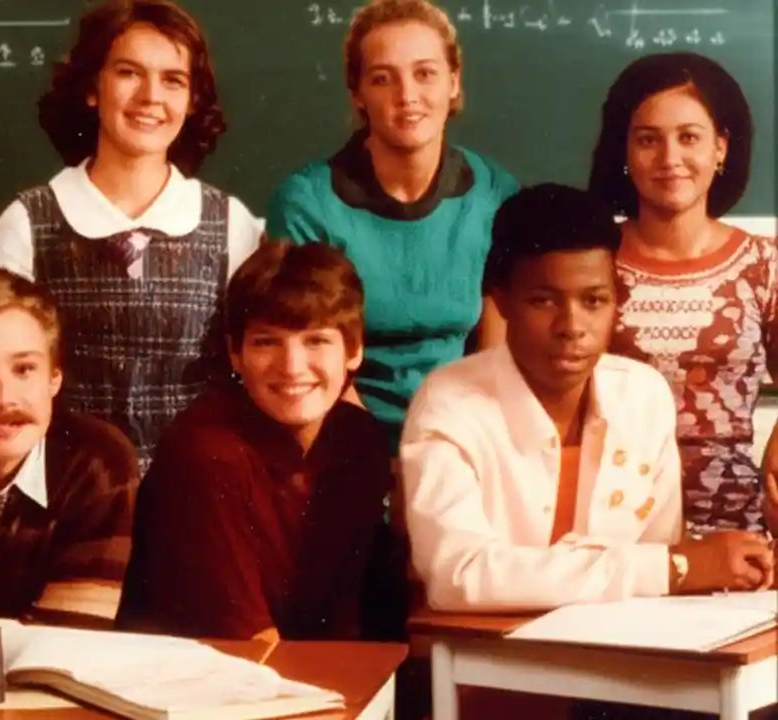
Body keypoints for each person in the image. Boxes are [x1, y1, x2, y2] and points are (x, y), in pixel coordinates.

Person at [403, 184, 774, 614]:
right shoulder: (449, 402)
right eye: (543, 301)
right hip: (484, 660)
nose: (571, 326)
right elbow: (459, 576)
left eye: (594, 300)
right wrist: (674, 568)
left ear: (617, 302)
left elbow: (657, 560)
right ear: (503, 303)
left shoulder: (643, 395)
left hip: (621, 655)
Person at [0, 0, 264, 470]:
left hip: (198, 489)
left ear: (191, 101)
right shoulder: (29, 222)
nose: (151, 96)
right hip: (72, 493)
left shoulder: (230, 223)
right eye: (129, 73)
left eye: (173, 80)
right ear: (93, 88)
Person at [117, 241, 401, 641]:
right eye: (266, 342)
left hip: (310, 673)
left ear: (353, 351)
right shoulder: (207, 455)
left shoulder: (359, 439)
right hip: (204, 682)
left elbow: (349, 619)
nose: (291, 368)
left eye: (316, 341)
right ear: (235, 354)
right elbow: (248, 643)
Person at [266, 0, 518, 448]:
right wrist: (380, 464)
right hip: (340, 434)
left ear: (453, 82)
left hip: (466, 434)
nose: (407, 95)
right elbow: (309, 357)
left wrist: (450, 453)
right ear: (358, 94)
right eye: (383, 78)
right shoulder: (308, 203)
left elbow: (497, 358)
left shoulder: (495, 195)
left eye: (425, 73)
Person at [589, 52, 777, 534]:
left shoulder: (764, 265)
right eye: (648, 140)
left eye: (688, 137)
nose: (669, 159)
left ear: (721, 147)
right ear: (625, 152)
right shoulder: (590, 264)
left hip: (738, 532)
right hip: (612, 530)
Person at [0, 268, 139, 627]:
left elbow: (68, 636)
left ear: (54, 377)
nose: (2, 398)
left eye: (24, 369)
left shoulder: (97, 462)